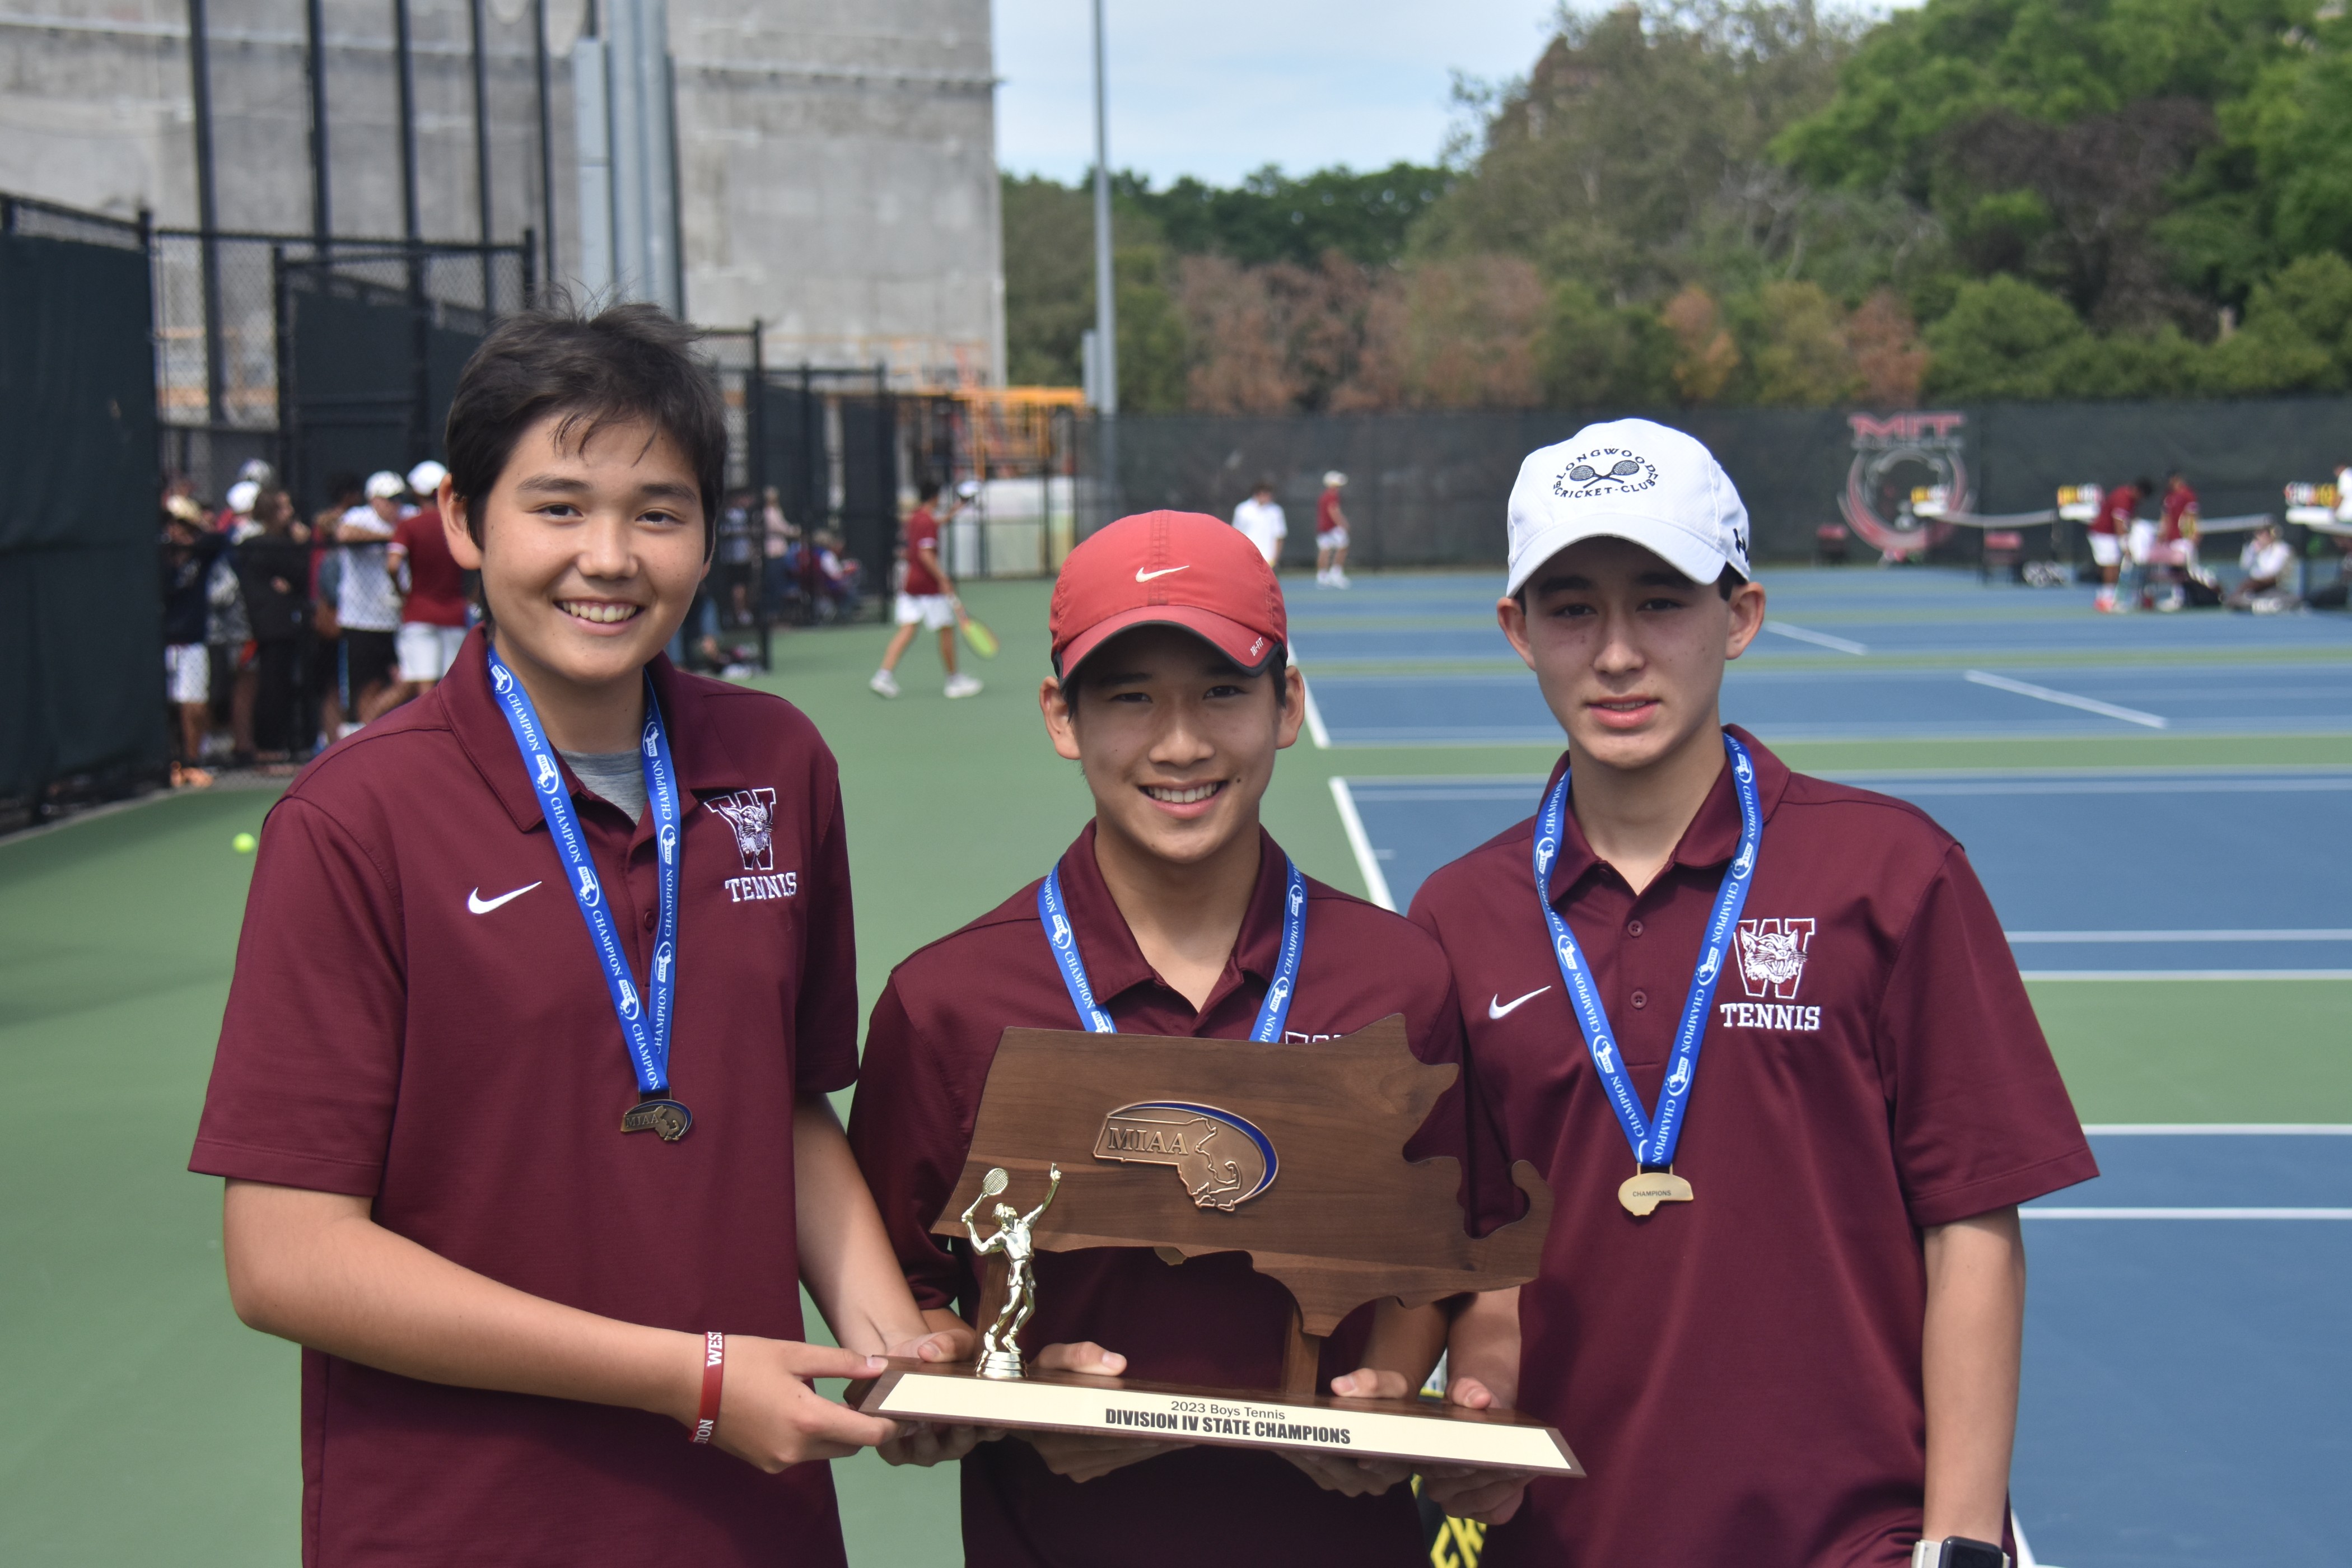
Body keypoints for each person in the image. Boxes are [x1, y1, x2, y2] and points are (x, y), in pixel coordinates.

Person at [190, 302, 967, 1567]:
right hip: (462, 1524)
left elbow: (780, 1106)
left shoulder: (777, 763)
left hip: (746, 1529)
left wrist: (893, 1345)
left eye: (658, 512)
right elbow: (285, 1259)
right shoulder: (351, 822)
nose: (609, 557)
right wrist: (695, 1381)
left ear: (707, 536)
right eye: (558, 506)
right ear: (461, 524)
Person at [1404, 420, 2098, 1567]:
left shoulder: (1892, 871)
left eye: (1663, 601)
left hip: (1853, 1543)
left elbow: (1972, 1220)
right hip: (1570, 1540)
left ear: (1741, 615)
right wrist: (1469, 1421)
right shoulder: (1457, 915)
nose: (1618, 652)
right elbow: (1474, 1256)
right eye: (1574, 608)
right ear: (1518, 631)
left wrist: (1964, 1540)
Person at [848, 510, 1514, 1568]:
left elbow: (1440, 1260)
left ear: (1287, 703)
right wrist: (992, 1368)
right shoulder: (947, 1003)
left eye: (1221, 690)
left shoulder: (1402, 980)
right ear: (1061, 718)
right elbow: (907, 1297)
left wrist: (1390, 1385)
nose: (1181, 742)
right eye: (1129, 697)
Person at [870, 479, 981, 699]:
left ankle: (883, 676)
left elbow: (932, 526)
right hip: (928, 586)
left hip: (911, 584)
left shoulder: (917, 517)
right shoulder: (927, 521)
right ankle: (954, 681)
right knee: (947, 629)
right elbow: (925, 554)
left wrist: (954, 511)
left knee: (908, 629)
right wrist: (943, 578)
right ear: (936, 496)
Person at [234, 486, 314, 763]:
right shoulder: (258, 544)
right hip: (269, 626)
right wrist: (301, 547)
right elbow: (290, 572)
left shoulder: (286, 542)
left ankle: (287, 743)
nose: (290, 512)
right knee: (271, 686)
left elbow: (298, 578)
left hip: (287, 624)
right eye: (283, 507)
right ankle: (267, 749)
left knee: (287, 685)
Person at [388, 458, 471, 700]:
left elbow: (393, 564)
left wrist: (401, 591)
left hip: (419, 610)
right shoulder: (459, 525)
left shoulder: (409, 525)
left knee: (425, 688)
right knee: (452, 686)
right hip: (454, 612)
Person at [334, 470, 408, 728]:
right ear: (374, 501)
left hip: (399, 619)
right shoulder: (359, 517)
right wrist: (394, 538)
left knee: (405, 682)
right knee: (365, 684)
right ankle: (361, 733)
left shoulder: (408, 516)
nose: (395, 505)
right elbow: (343, 534)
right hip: (362, 620)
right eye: (389, 500)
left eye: (399, 499)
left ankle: (375, 729)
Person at [161, 496, 223, 787]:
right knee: (168, 707)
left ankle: (192, 762)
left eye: (182, 524)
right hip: (163, 643)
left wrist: (195, 523)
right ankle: (172, 764)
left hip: (193, 641)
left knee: (194, 706)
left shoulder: (202, 553)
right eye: (173, 524)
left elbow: (219, 539)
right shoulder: (159, 558)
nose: (177, 530)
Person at [2089, 477, 2143, 613]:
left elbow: (2129, 519)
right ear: (2138, 491)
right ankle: (2106, 599)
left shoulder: (2131, 499)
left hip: (2109, 535)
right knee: (2110, 565)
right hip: (2103, 534)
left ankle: (2108, 597)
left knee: (2113, 565)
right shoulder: (2122, 498)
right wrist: (2125, 546)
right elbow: (2119, 524)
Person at [2152, 469, 2200, 612]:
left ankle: (2192, 596)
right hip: (2170, 540)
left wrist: (2193, 536)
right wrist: (2161, 537)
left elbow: (2193, 516)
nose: (2168, 482)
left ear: (2176, 479)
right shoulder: (2168, 496)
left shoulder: (2188, 494)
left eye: (2170, 479)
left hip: (2184, 539)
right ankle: (2178, 597)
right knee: (2173, 570)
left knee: (2189, 568)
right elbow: (2165, 518)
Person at [2228, 522, 2295, 610]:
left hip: (2273, 582)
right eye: (2259, 534)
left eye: (2264, 533)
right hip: (2255, 582)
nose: (2261, 537)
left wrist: (2263, 552)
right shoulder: (2255, 547)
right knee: (2239, 593)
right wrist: (2253, 551)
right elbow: (2245, 565)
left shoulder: (2282, 549)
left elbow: (2272, 571)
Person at [1232, 477, 1286, 568]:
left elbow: (1279, 537)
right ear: (1258, 493)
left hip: (1268, 561)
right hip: (1247, 558)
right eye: (1265, 493)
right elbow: (1236, 534)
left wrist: (1275, 560)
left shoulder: (1276, 511)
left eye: (1269, 493)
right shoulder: (1242, 510)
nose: (1268, 496)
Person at [1315, 469, 1352, 588]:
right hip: (1331, 528)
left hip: (1324, 528)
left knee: (1326, 550)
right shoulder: (1332, 496)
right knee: (1342, 546)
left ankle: (1323, 576)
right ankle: (1335, 574)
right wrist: (1342, 523)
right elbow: (1333, 511)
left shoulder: (1325, 496)